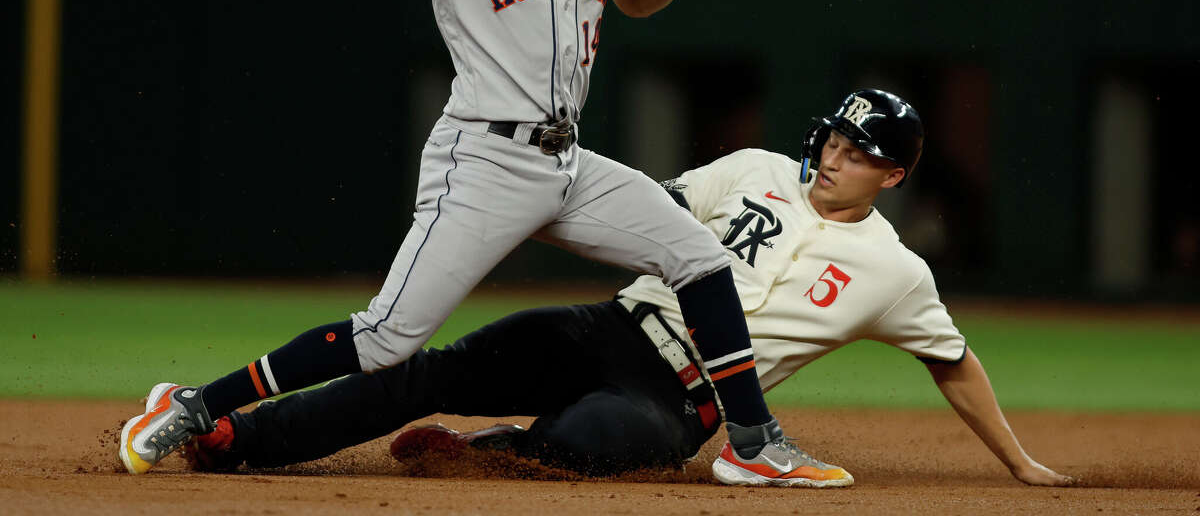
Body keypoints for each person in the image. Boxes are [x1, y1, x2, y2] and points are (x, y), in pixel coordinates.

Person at [118, 0, 827, 487]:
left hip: (568, 164)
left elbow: (638, 5)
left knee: (699, 259)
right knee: (387, 337)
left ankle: (752, 442)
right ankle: (195, 403)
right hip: (486, 160)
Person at [183, 90, 1072, 487]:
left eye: (861, 153)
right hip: (609, 327)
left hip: (683, 398)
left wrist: (1019, 462)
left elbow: (952, 361)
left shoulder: (897, 271)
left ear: (894, 175)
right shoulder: (755, 168)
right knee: (425, 369)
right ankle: (238, 438)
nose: (837, 158)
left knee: (595, 439)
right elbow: (655, 213)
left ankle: (497, 448)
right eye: (835, 140)